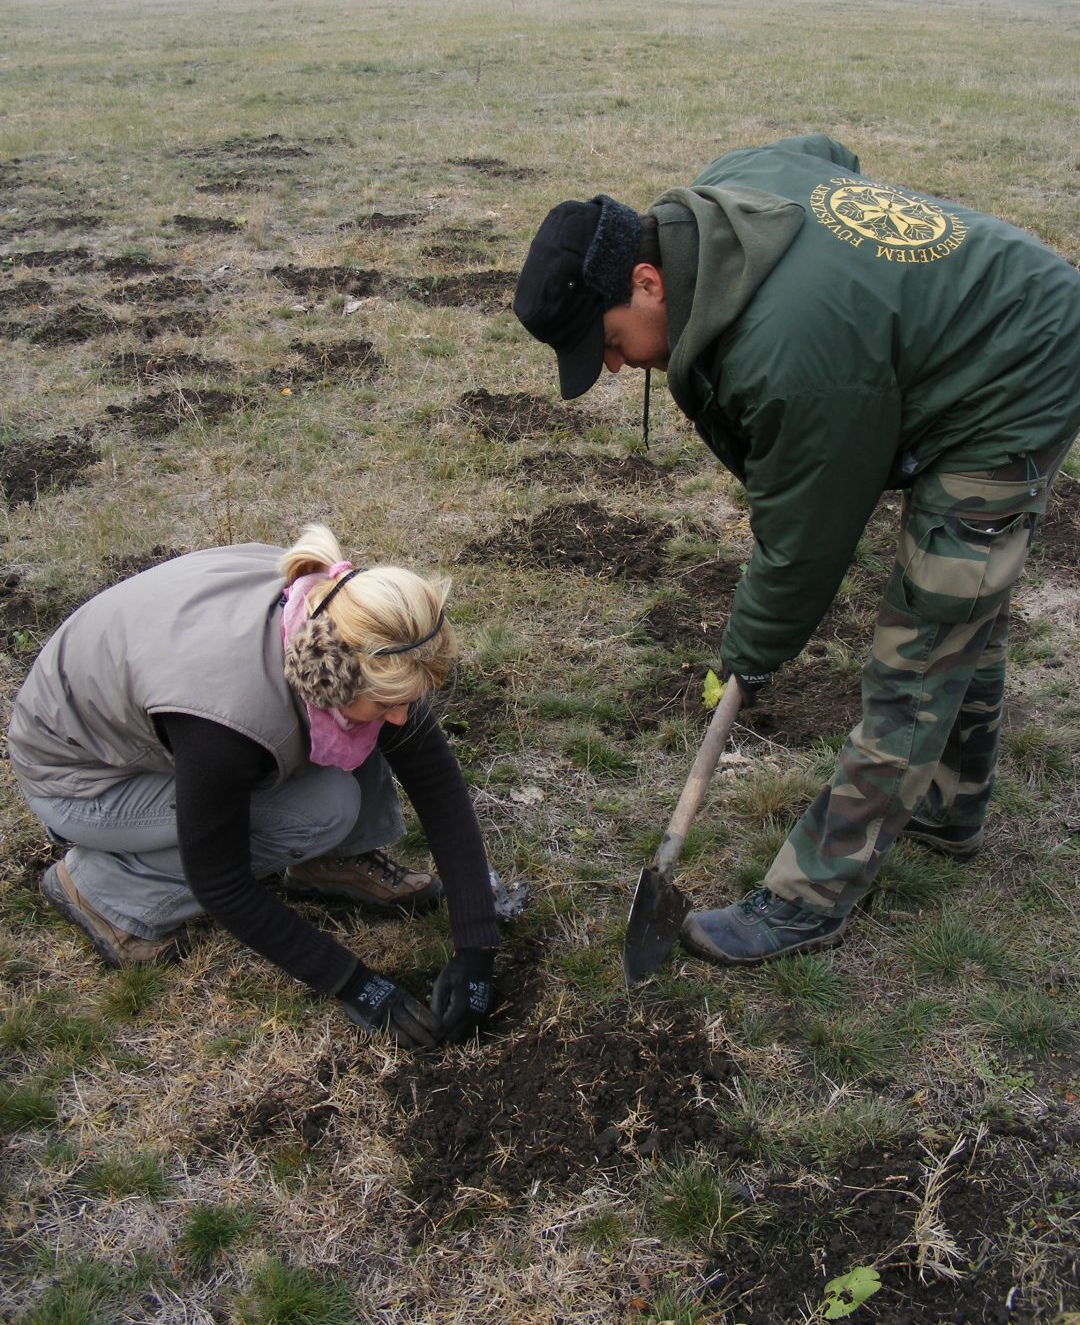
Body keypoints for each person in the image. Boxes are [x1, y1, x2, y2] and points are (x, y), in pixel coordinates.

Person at [513, 133, 1080, 965]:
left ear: (646, 280)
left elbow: (805, 544)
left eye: (605, 342)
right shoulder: (726, 191)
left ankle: (809, 898)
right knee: (960, 607)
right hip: (975, 319)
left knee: (921, 646)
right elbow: (826, 152)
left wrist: (750, 654)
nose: (611, 364)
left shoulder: (790, 361)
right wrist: (878, 274)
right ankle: (950, 805)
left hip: (1020, 368)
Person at [8, 525, 500, 1045]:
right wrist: (357, 984)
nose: (402, 717)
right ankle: (102, 892)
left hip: (161, 713)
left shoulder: (340, 616)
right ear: (327, 676)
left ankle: (329, 860)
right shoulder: (226, 722)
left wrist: (477, 949)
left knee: (355, 750)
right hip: (86, 777)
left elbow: (438, 788)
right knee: (321, 810)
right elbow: (221, 882)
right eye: (387, 703)